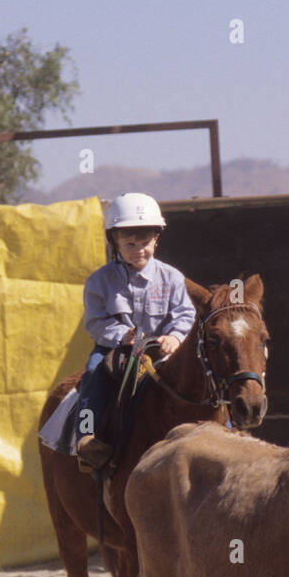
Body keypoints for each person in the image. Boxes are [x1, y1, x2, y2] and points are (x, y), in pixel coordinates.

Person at [74, 192, 195, 473]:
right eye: (129, 243)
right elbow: (95, 321)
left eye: (144, 242)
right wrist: (120, 336)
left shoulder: (172, 278)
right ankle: (87, 437)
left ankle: (223, 427)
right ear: (114, 242)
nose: (138, 249)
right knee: (93, 374)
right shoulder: (98, 281)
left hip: (163, 353)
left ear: (156, 240)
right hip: (115, 351)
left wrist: (175, 337)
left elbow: (185, 314)